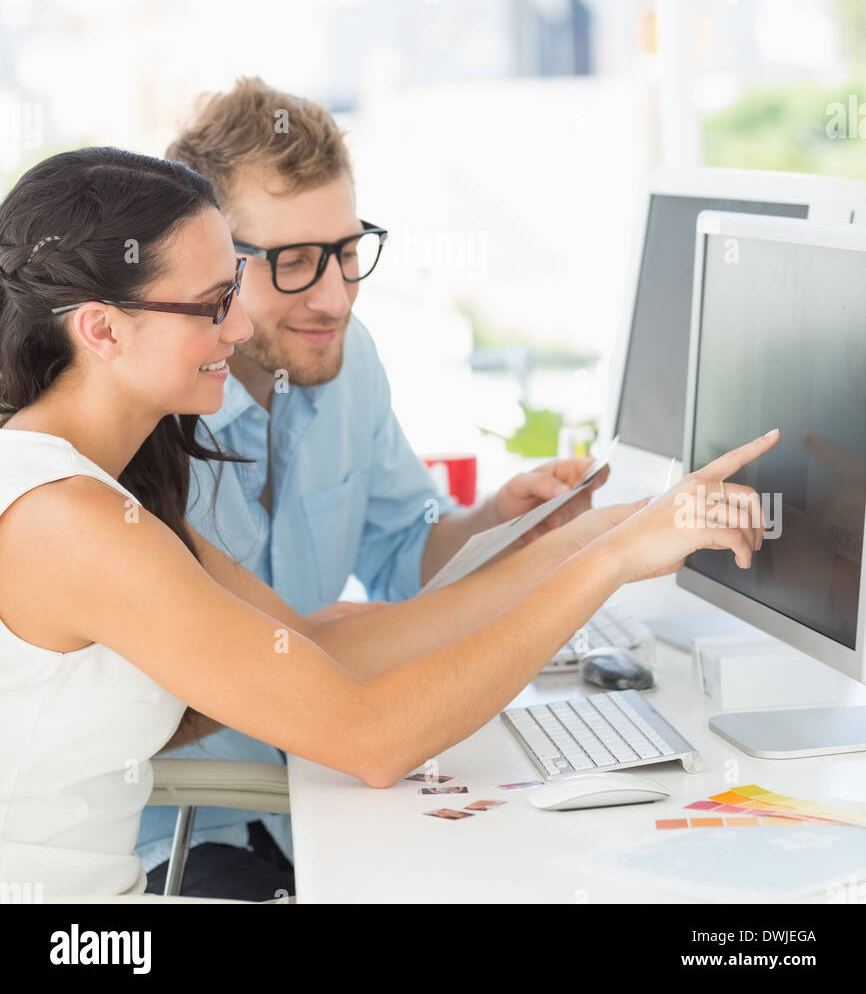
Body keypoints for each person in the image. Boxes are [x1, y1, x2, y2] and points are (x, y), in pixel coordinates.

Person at [0, 144, 778, 901]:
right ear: (101, 330)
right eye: (212, 306)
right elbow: (373, 739)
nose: (237, 330)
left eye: (233, 290)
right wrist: (608, 565)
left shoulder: (114, 483)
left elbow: (319, 645)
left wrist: (594, 535)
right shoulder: (67, 518)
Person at [140, 75, 616, 893]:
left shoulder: (347, 365)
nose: (334, 296)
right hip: (190, 824)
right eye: (291, 262)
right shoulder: (147, 426)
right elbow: (291, 666)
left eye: (347, 252)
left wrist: (496, 523)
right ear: (210, 266)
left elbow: (404, 552)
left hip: (321, 794)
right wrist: (610, 555)